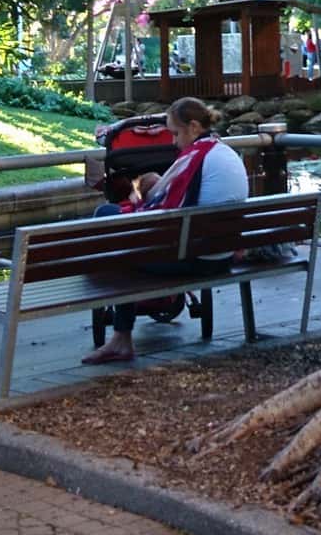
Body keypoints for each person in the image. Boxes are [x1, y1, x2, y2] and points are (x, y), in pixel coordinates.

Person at [80, 97, 248, 365]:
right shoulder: (223, 151)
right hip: (222, 256)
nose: (173, 142)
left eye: (175, 133)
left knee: (117, 242)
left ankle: (121, 338)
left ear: (193, 127)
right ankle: (120, 337)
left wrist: (140, 199)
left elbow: (164, 211)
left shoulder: (196, 157)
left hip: (196, 260)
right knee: (119, 235)